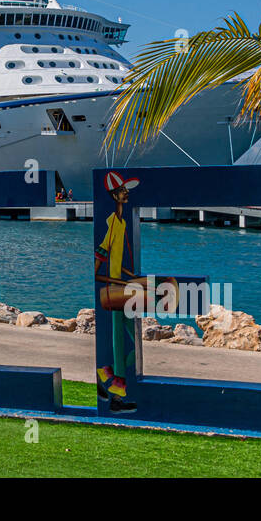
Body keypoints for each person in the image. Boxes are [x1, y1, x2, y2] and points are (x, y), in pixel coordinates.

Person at [95, 171, 140, 413]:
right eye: (123, 190)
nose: (127, 193)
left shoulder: (122, 221)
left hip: (122, 284)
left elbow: (116, 254)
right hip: (114, 289)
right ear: (115, 195)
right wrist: (97, 275)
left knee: (125, 339)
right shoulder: (113, 220)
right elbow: (103, 249)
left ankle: (105, 377)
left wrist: (128, 273)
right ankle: (115, 397)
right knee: (120, 339)